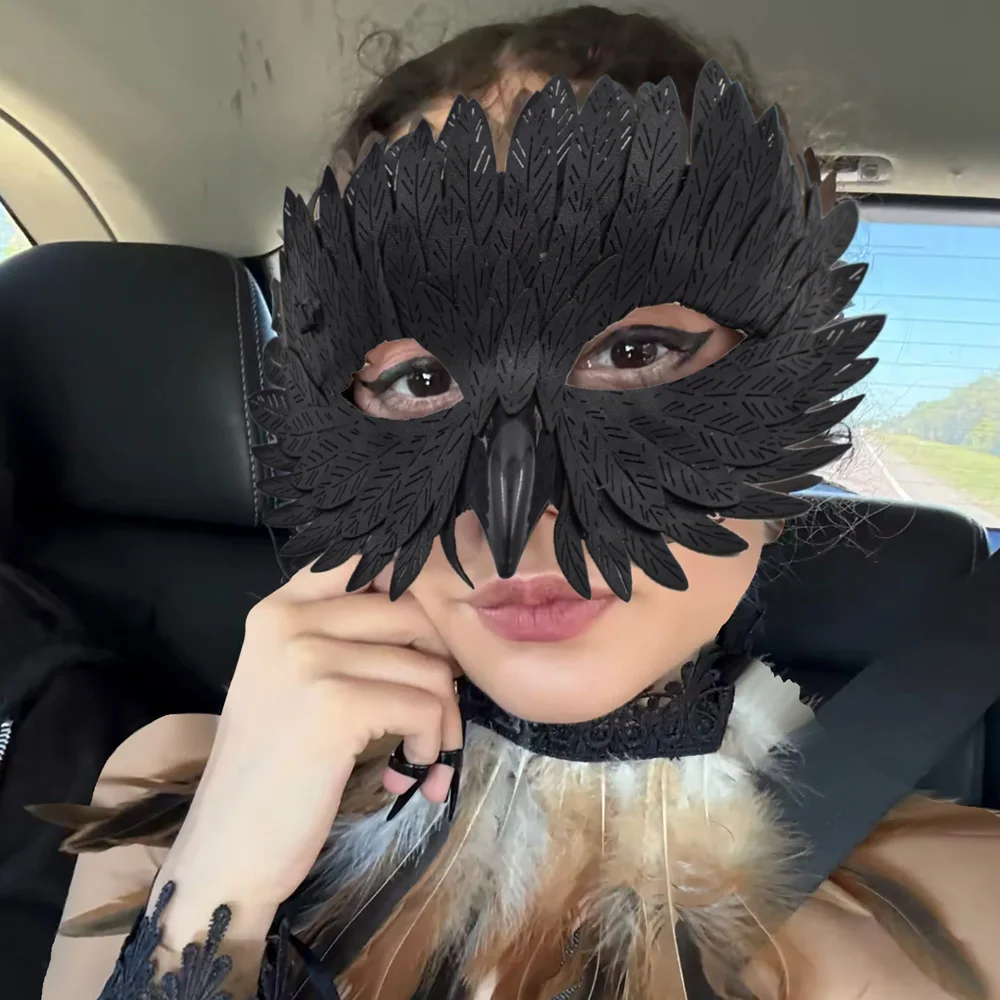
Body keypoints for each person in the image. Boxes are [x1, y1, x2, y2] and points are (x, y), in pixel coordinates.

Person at [39, 7, 1000, 1000]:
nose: (516, 521)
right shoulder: (169, 799)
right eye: (420, 382)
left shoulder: (982, 909)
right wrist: (216, 886)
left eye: (633, 354)